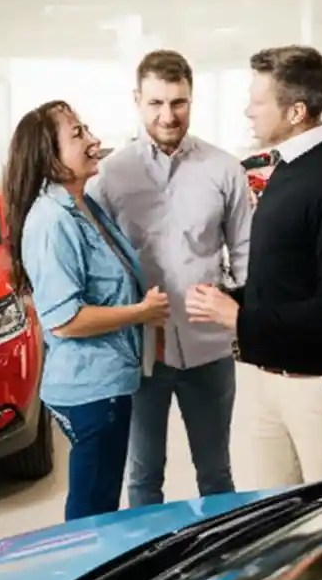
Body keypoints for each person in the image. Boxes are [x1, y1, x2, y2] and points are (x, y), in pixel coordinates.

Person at [185, 45, 322, 486]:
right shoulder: (288, 167)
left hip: (316, 387)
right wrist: (231, 300)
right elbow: (287, 279)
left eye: (258, 101)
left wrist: (240, 319)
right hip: (265, 377)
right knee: (269, 512)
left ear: (296, 111)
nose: (248, 111)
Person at [93, 50, 252, 507]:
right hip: (141, 352)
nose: (168, 116)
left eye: (178, 102)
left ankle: (221, 550)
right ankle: (149, 552)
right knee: (143, 477)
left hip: (209, 348)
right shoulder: (110, 175)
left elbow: (246, 255)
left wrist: (245, 324)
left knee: (217, 474)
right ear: (137, 100)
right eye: (156, 103)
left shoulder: (224, 169)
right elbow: (98, 261)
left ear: (192, 99)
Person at [4, 100, 170, 521]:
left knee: (101, 505)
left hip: (108, 381)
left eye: (87, 129)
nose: (94, 141)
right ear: (49, 155)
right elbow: (64, 320)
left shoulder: (83, 205)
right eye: (77, 134)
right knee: (92, 515)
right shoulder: (52, 221)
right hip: (90, 390)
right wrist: (141, 312)